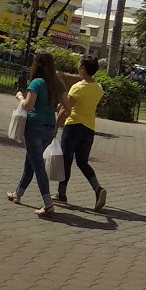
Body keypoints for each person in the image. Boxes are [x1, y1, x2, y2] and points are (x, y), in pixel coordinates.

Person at [8, 51, 64, 216]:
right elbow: (67, 106)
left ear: (36, 65)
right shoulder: (57, 84)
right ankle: (18, 193)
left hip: (34, 127)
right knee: (31, 162)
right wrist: (57, 120)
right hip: (49, 127)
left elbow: (28, 106)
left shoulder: (37, 83)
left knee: (38, 166)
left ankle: (48, 204)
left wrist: (19, 96)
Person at [55, 55, 107, 210]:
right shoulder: (98, 88)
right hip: (89, 128)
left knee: (67, 160)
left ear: (83, 69)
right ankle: (97, 188)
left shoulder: (78, 87)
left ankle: (61, 193)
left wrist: (56, 125)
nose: (78, 67)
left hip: (74, 126)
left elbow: (66, 109)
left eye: (79, 65)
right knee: (82, 162)